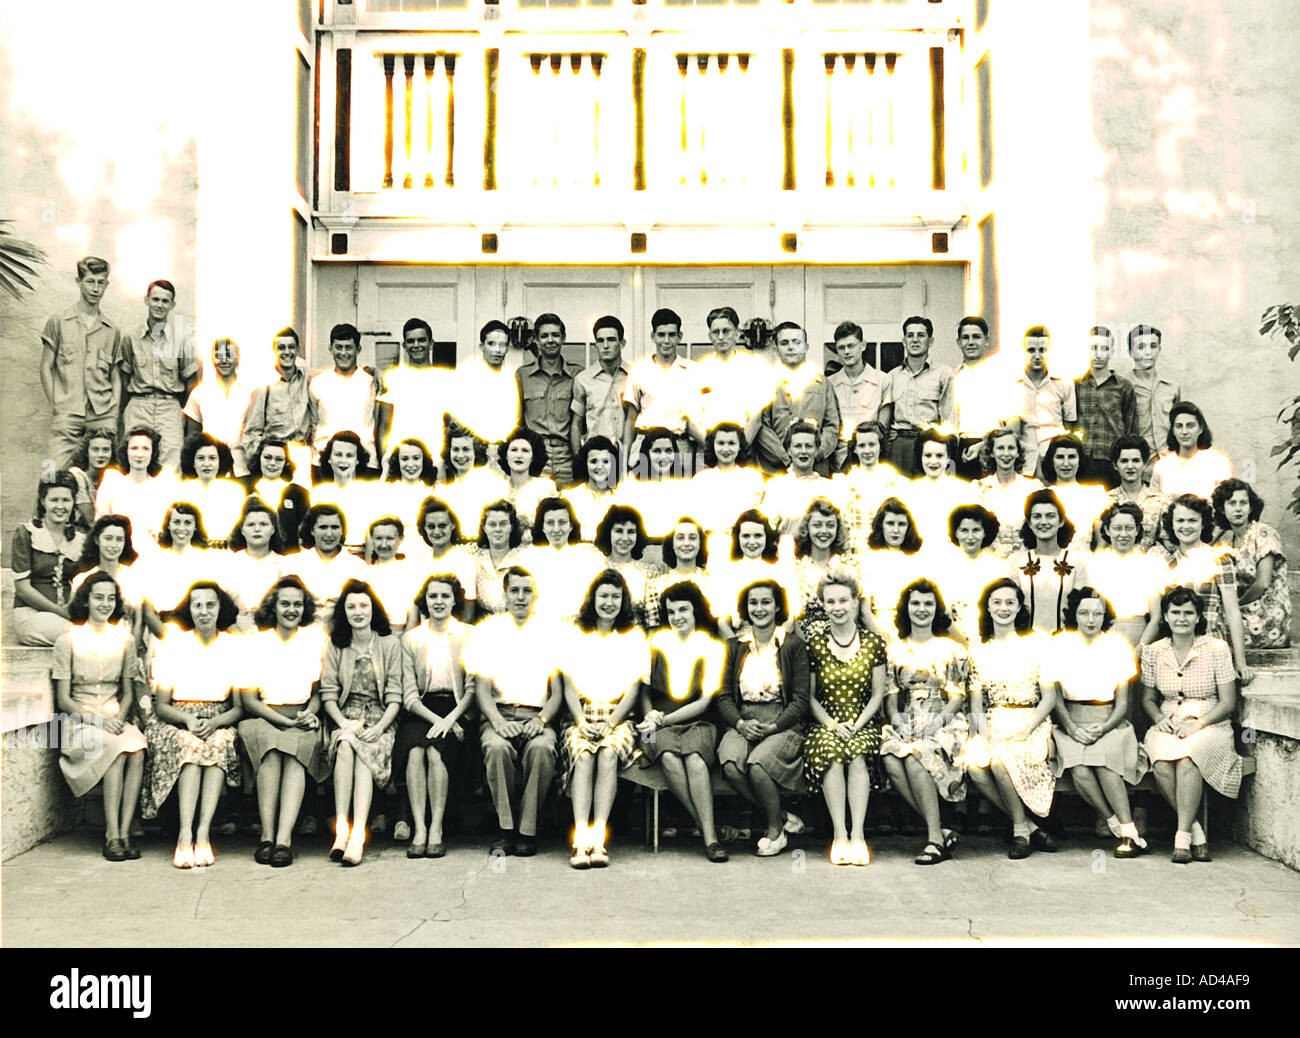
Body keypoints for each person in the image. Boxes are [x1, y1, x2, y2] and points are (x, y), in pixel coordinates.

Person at [144, 581, 246, 868]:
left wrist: (214, 722)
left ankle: (203, 834)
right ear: (189, 610)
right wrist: (188, 719)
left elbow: (237, 708)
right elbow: (162, 706)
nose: (204, 611)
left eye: (210, 604)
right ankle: (184, 834)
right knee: (190, 747)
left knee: (218, 743)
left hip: (218, 717)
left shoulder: (233, 646)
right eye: (197, 605)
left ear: (220, 608)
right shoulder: (174, 645)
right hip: (177, 719)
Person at [1141, 586, 1243, 863]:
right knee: (1162, 763)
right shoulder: (1153, 652)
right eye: (1175, 612)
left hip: (1210, 721)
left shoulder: (1217, 648)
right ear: (1166, 616)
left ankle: (1181, 837)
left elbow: (1228, 703)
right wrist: (1160, 720)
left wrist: (1198, 724)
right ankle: (1196, 830)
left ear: (1199, 617)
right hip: (1169, 721)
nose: (1182, 618)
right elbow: (1148, 699)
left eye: (1189, 613)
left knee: (1187, 760)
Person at [466, 567, 563, 857]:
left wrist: (541, 720)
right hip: (500, 714)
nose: (520, 597)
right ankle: (505, 829)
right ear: (505, 595)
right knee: (497, 749)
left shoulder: (550, 632)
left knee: (542, 750)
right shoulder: (487, 631)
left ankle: (527, 830)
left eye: (527, 591)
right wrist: (496, 721)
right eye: (515, 591)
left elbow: (557, 692)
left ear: (536, 596)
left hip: (537, 715)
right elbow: (481, 690)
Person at [52, 572, 148, 861]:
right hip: (80, 722)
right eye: (98, 597)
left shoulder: (125, 640)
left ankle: (126, 830)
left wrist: (119, 717)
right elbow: (63, 699)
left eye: (110, 598)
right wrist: (98, 720)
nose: (105, 604)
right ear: (86, 600)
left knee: (138, 748)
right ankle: (112, 834)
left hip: (114, 717)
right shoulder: (67, 640)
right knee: (116, 750)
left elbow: (128, 691)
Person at [1046, 587, 1148, 857]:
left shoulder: (1117, 647)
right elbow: (1055, 698)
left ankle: (1128, 830)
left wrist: (1103, 727)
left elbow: (1123, 704)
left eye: (1097, 613)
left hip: (1110, 722)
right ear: (1074, 615)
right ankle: (1116, 824)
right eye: (1084, 613)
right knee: (1079, 769)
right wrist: (1071, 727)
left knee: (1106, 765)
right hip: (1071, 722)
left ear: (1106, 616)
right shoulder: (1060, 645)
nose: (1091, 619)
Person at [962, 578, 1058, 859]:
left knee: (999, 760)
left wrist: (1026, 728)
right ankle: (1028, 826)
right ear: (987, 608)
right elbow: (976, 704)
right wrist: (984, 733)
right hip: (994, 719)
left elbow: (1049, 698)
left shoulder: (1036, 643)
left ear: (1018, 608)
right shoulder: (979, 650)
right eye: (997, 602)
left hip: (1031, 719)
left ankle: (1019, 832)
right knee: (974, 765)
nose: (1003, 608)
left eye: (1009, 602)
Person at [237, 576, 329, 867]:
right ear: (273, 607)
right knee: (272, 751)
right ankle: (267, 835)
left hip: (300, 717)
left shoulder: (315, 639)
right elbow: (249, 701)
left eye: (297, 604)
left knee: (293, 754)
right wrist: (282, 721)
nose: (291, 609)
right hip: (262, 717)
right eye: (285, 603)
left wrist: (310, 713)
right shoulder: (256, 642)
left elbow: (317, 693)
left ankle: (283, 840)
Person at [636, 580, 730, 862]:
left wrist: (662, 720)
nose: (677, 617)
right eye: (671, 611)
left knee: (695, 760)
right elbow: (643, 692)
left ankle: (708, 836)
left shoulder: (712, 647)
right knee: (666, 755)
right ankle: (711, 833)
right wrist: (650, 716)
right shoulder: (655, 642)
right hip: (650, 727)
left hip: (698, 720)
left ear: (695, 610)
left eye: (683, 610)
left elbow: (703, 702)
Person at [716, 580, 811, 857]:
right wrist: (740, 724)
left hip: (783, 721)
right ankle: (781, 814)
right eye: (753, 603)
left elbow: (801, 700)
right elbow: (723, 696)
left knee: (758, 765)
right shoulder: (735, 646)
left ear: (777, 606)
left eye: (766, 602)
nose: (759, 609)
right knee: (731, 763)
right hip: (745, 720)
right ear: (746, 608)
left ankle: (774, 829)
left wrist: (774, 726)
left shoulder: (792, 646)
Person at [560, 570, 648, 867]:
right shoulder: (574, 634)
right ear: (593, 599)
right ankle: (580, 839)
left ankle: (599, 838)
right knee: (584, 756)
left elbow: (633, 691)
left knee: (608, 753)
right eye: (603, 596)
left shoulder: (633, 637)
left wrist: (611, 724)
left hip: (618, 716)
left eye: (615, 597)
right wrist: (580, 721)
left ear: (623, 601)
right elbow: (568, 688)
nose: (609, 603)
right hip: (581, 714)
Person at [879, 578, 969, 864]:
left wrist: (933, 724)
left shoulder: (951, 648)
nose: (922, 609)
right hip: (906, 719)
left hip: (944, 719)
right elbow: (891, 701)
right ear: (906, 609)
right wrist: (900, 724)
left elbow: (955, 698)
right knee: (891, 756)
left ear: (936, 608)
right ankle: (942, 831)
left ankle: (933, 839)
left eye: (928, 604)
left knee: (915, 754)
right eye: (915, 603)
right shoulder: (894, 650)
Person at [803, 570, 888, 866]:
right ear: (823, 605)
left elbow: (877, 695)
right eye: (830, 602)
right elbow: (810, 696)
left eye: (843, 600)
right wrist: (831, 725)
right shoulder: (814, 644)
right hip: (826, 721)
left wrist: (857, 724)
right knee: (831, 752)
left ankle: (858, 834)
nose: (837, 607)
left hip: (863, 720)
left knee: (859, 753)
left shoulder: (873, 643)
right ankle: (839, 834)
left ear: (855, 603)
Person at [321, 580, 403, 866]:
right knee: (345, 745)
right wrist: (344, 722)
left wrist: (379, 728)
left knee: (364, 755)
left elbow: (395, 696)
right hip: (348, 716)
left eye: (364, 605)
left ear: (373, 609)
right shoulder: (337, 645)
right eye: (352, 606)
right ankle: (342, 829)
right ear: (344, 612)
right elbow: (329, 694)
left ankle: (358, 835)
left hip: (381, 719)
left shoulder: (389, 644)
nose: (358, 611)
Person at [396, 574, 473, 859]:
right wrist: (438, 722)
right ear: (424, 601)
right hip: (422, 710)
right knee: (416, 750)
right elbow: (409, 696)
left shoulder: (468, 634)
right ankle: (419, 829)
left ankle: (436, 828)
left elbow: (472, 690)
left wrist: (451, 721)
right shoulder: (412, 638)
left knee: (435, 753)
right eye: (433, 596)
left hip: (456, 708)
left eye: (444, 596)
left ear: (454, 600)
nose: (438, 602)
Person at [1145, 494, 1256, 686]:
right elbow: (1158, 617)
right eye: (1180, 520)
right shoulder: (1165, 564)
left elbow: (1232, 611)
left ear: (1203, 523)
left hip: (1211, 647)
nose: (1186, 526)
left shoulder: (1219, 560)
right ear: (1171, 525)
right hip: (1176, 651)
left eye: (1192, 520)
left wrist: (1241, 661)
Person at [39, 256, 124, 470]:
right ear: (79, 282)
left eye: (100, 282)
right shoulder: (59, 321)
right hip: (68, 411)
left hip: (102, 414)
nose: (95, 289)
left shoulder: (111, 330)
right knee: (54, 474)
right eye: (90, 281)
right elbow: (46, 367)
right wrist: (57, 404)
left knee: (105, 479)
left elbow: (114, 374)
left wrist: (113, 410)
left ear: (106, 285)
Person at [119, 279, 198, 471]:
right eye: (155, 299)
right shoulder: (130, 338)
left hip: (169, 408)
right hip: (139, 405)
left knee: (171, 464)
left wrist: (184, 416)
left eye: (165, 301)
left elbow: (191, 384)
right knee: (135, 460)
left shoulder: (181, 342)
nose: (159, 305)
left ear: (172, 305)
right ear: (146, 300)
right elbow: (123, 380)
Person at [753, 321, 839, 476]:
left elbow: (832, 426)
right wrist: (786, 457)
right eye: (784, 343)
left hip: (816, 467)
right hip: (775, 468)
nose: (791, 347)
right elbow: (761, 426)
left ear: (806, 347)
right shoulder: (765, 383)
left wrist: (814, 454)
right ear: (776, 349)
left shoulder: (822, 383)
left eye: (796, 342)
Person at [1213, 479, 1290, 648]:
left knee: (1213, 628)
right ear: (1222, 508)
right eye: (1232, 503)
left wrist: (1234, 606)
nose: (1238, 508)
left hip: (1267, 617)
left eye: (1243, 503)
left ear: (1251, 507)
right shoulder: (1230, 539)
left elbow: (1262, 583)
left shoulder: (1262, 534)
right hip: (1244, 612)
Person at [11, 472, 86, 645]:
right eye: (54, 500)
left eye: (66, 500)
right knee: (80, 636)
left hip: (68, 615)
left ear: (73, 502)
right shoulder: (27, 534)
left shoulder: (79, 540)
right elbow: (22, 589)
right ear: (43, 501)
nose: (60, 506)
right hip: (31, 614)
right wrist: (61, 612)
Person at [880, 316, 955, 478]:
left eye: (921, 335)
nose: (915, 340)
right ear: (904, 340)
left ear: (931, 340)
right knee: (897, 495)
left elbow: (949, 418)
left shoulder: (944, 374)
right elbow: (885, 417)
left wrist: (947, 453)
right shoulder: (892, 376)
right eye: (910, 335)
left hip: (930, 444)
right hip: (900, 446)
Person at [689, 306, 772, 450]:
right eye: (716, 332)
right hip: (708, 445)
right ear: (710, 336)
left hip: (742, 443)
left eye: (726, 331)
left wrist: (740, 449)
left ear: (737, 333)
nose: (721, 337)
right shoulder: (699, 371)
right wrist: (711, 448)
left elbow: (756, 418)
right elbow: (692, 421)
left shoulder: (752, 369)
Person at [1007, 489, 1090, 635]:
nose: (1043, 522)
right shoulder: (1016, 561)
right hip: (1024, 644)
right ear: (1030, 523)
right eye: (1037, 516)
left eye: (1050, 516)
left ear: (1061, 521)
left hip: (1067, 643)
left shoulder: (1078, 562)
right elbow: (1009, 606)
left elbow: (1083, 608)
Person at [238, 327, 315, 483]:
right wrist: (264, 458)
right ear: (274, 351)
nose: (287, 352)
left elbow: (335, 372)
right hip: (276, 456)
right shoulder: (263, 388)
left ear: (298, 350)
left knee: (302, 500)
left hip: (303, 454)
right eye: (281, 348)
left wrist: (370, 371)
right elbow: (251, 433)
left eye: (291, 347)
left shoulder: (307, 378)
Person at [1087, 502, 1167, 647]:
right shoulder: (1095, 564)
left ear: (1137, 530)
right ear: (1107, 529)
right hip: (1103, 634)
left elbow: (1156, 617)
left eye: (1129, 528)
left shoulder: (1150, 565)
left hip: (1140, 633)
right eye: (1117, 528)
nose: (1123, 534)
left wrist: (1139, 651)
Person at [710, 508, 797, 640]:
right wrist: (737, 649)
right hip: (740, 640)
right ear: (738, 538)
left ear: (766, 536)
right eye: (746, 536)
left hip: (776, 642)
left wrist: (775, 645)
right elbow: (723, 623)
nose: (752, 542)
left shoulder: (779, 571)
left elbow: (789, 620)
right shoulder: (727, 573)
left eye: (758, 536)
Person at [951, 315, 1019, 481]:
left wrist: (984, 445)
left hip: (990, 448)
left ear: (986, 341)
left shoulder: (1000, 377)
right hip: (958, 450)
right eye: (965, 338)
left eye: (976, 337)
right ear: (959, 342)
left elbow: (1014, 423)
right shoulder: (952, 377)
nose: (971, 342)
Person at [622, 307, 696, 459]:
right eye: (661, 335)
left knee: (681, 483)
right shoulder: (639, 370)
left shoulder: (693, 370)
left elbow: (700, 421)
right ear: (653, 336)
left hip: (680, 445)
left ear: (679, 336)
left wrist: (701, 463)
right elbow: (630, 419)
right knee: (643, 482)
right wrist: (622, 463)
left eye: (672, 335)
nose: (666, 341)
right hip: (646, 444)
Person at [1069, 326, 1138, 489]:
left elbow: (1130, 429)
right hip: (1082, 462)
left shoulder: (1124, 387)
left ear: (1112, 351)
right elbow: (1069, 425)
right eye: (1093, 348)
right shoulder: (1075, 386)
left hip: (1111, 463)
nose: (1099, 354)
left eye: (1104, 348)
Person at [517, 312, 580, 487]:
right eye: (544, 336)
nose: (550, 340)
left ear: (563, 338)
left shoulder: (577, 375)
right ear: (536, 340)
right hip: (535, 455)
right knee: (533, 509)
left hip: (567, 456)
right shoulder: (523, 375)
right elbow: (518, 421)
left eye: (555, 335)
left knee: (569, 508)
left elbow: (582, 421)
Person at [519, 497, 605, 623]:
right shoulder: (527, 559)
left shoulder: (591, 558)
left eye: (562, 522)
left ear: (571, 525)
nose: (556, 529)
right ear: (542, 527)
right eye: (550, 523)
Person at [94, 425, 179, 553]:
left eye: (145, 449)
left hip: (157, 554)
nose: (139, 454)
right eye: (134, 448)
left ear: (152, 452)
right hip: (119, 554)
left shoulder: (164, 485)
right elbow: (100, 526)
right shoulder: (113, 483)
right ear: (126, 451)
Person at [932, 503, 1007, 644]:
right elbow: (943, 616)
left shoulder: (998, 567)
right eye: (964, 530)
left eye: (976, 530)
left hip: (991, 639)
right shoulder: (943, 568)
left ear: (985, 532)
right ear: (955, 532)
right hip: (953, 639)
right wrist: (966, 645)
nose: (970, 537)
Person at [309, 323, 381, 470]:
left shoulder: (371, 382)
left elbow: (379, 424)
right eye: (338, 347)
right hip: (324, 462)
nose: (343, 353)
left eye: (348, 347)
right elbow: (311, 424)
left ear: (358, 349)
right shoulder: (318, 382)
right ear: (331, 348)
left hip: (365, 462)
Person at [376, 318, 447, 466]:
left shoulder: (446, 379)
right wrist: (385, 459)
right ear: (404, 345)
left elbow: (452, 426)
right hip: (399, 459)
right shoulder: (392, 377)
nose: (416, 345)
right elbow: (383, 425)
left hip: (434, 458)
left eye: (421, 340)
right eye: (411, 341)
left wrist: (444, 460)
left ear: (431, 343)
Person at [689, 422, 766, 559]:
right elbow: (697, 519)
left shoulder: (752, 477)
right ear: (713, 445)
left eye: (731, 443)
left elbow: (755, 516)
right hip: (710, 543)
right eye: (720, 443)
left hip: (745, 545)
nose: (726, 449)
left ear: (740, 446)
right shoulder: (700, 479)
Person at [183, 338, 257, 477]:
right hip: (209, 469)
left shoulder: (251, 393)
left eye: (229, 355)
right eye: (218, 356)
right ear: (212, 358)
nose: (224, 361)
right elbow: (192, 438)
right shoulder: (200, 392)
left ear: (237, 357)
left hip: (242, 469)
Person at [136, 502, 211, 637]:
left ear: (195, 527)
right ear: (169, 525)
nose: (181, 528)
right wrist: (169, 640)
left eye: (188, 523)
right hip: (159, 633)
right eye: (177, 522)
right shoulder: (152, 560)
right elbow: (148, 612)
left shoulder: (205, 562)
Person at [445, 320, 521, 451]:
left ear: (507, 348)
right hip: (473, 451)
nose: (497, 350)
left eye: (502, 345)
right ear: (482, 346)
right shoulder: (466, 379)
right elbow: (455, 423)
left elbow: (517, 419)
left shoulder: (511, 380)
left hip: (504, 451)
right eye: (491, 344)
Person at [826, 320, 889, 471]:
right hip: (838, 457)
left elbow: (883, 427)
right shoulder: (830, 383)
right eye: (841, 347)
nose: (846, 351)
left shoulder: (881, 380)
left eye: (851, 346)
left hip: (869, 456)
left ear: (863, 345)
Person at [1014, 325, 1076, 477]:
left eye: (1042, 350)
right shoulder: (1013, 385)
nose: (1037, 355)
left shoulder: (1064, 384)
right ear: (1023, 351)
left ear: (1050, 351)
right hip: (1022, 461)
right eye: (1031, 350)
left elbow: (1070, 425)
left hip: (1055, 462)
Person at [404, 496, 478, 622]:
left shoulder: (464, 563)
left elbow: (468, 616)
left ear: (453, 525)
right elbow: (416, 609)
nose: (437, 531)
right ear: (424, 528)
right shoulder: (422, 561)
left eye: (442, 525)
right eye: (431, 526)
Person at [974, 426, 1044, 558]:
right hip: (989, 558)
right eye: (1000, 448)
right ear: (991, 453)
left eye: (1011, 448)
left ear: (1018, 452)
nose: (1006, 453)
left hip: (1025, 559)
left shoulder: (1033, 487)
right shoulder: (979, 488)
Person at [837, 420, 905, 555]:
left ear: (880, 446)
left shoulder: (896, 483)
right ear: (855, 449)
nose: (867, 450)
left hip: (887, 554)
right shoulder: (845, 485)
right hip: (855, 554)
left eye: (872, 444)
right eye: (862, 445)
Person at [760, 421, 838, 537]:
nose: (803, 451)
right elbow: (767, 529)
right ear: (788, 450)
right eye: (797, 446)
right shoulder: (775, 487)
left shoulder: (830, 488)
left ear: (816, 450)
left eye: (809, 446)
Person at [617, 426, 692, 546]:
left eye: (668, 451)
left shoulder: (684, 486)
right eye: (656, 451)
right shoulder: (632, 487)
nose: (663, 457)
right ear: (646, 453)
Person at [861, 497, 928, 632]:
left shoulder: (918, 559)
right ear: (881, 525)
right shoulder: (869, 559)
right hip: (884, 625)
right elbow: (864, 613)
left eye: (901, 524)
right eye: (890, 523)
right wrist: (887, 640)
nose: (896, 530)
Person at [902, 428, 975, 548]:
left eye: (939, 455)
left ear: (948, 458)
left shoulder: (964, 491)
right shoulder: (908, 491)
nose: (933, 461)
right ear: (921, 457)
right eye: (928, 455)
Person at [288, 503, 365, 616]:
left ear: (342, 530)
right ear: (312, 530)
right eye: (323, 527)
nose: (329, 534)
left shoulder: (359, 567)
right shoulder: (291, 564)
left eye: (335, 527)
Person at [72, 514, 144, 635]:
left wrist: (132, 651)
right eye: (108, 538)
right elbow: (77, 620)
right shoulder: (82, 579)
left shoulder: (134, 577)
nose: (113, 545)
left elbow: (138, 621)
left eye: (119, 539)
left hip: (126, 643)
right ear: (97, 540)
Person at [593, 503, 663, 625]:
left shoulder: (648, 573)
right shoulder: (593, 570)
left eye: (631, 532)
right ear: (608, 533)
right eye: (619, 531)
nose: (625, 538)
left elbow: (653, 622)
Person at [1040, 433, 1111, 552]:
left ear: (1080, 460)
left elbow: (1102, 541)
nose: (1066, 463)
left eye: (1072, 457)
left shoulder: (1095, 494)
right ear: (1051, 461)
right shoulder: (1041, 494)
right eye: (1060, 457)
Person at [570, 316, 630, 455]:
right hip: (595, 457)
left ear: (622, 343)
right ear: (595, 345)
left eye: (611, 339)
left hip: (626, 458)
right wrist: (579, 459)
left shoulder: (634, 377)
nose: (605, 345)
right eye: (600, 340)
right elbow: (576, 425)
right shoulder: (583, 379)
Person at [1151, 401, 1233, 500]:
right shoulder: (1162, 465)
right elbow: (1153, 504)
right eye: (1179, 426)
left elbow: (1225, 502)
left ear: (1201, 429)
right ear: (1173, 431)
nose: (1184, 432)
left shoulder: (1218, 463)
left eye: (1190, 425)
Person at [222, 497, 287, 621]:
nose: (257, 529)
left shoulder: (286, 565)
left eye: (263, 524)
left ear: (273, 529)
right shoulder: (229, 563)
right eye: (251, 525)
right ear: (242, 530)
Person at [313, 430, 380, 547]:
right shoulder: (318, 493)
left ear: (357, 460)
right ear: (329, 458)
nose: (343, 460)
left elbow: (375, 534)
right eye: (338, 454)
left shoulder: (370, 491)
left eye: (349, 455)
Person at [242, 438, 310, 554]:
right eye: (267, 457)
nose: (273, 463)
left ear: (285, 462)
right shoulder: (245, 490)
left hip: (288, 560)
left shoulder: (299, 493)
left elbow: (305, 534)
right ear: (259, 458)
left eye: (279, 459)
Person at [178, 432, 245, 546]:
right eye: (201, 458)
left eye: (212, 458)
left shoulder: (234, 491)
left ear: (220, 461)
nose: (207, 464)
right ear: (193, 462)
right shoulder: (182, 491)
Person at [1127, 324, 1181, 465]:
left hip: (1170, 461)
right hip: (1138, 465)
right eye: (1140, 347)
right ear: (1130, 352)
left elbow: (1181, 425)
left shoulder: (1172, 387)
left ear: (1159, 349)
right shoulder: (1123, 387)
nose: (1147, 352)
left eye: (1153, 346)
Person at [644, 516, 711, 630]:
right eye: (680, 538)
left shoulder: (712, 582)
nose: (686, 543)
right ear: (672, 543)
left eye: (692, 538)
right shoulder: (655, 585)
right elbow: (653, 628)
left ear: (700, 543)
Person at [1105, 435, 1168, 551]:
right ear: (1115, 465)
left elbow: (1168, 544)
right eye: (1124, 461)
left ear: (1144, 464)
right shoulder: (1105, 501)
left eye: (1136, 460)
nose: (1130, 466)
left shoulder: (1161, 501)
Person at [360, 516, 422, 630]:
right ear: (372, 539)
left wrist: (404, 641)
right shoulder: (364, 574)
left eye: (389, 538)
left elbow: (413, 615)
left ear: (400, 539)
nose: (384, 544)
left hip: (399, 632)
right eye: (378, 538)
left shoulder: (409, 572)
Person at [468, 499, 528, 616]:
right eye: (492, 524)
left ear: (511, 527)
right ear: (484, 528)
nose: (498, 529)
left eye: (503, 524)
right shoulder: (475, 560)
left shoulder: (524, 559)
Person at [498, 426, 559, 536]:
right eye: (514, 450)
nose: (519, 455)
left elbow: (551, 525)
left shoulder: (545, 487)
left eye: (525, 451)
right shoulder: (496, 487)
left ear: (533, 457)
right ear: (506, 455)